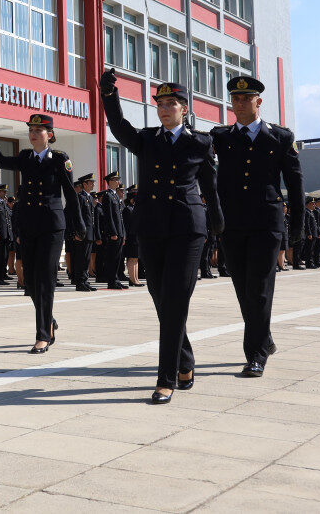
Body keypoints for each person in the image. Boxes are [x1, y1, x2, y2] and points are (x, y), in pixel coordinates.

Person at [100, 71, 223, 404]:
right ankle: (185, 359)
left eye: (171, 104)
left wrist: (218, 220)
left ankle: (165, 378)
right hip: (152, 226)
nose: (165, 109)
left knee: (176, 299)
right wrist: (109, 95)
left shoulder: (200, 142)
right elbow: (118, 127)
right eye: (161, 104)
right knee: (161, 297)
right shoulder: (147, 139)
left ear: (184, 109)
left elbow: (210, 186)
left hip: (187, 228)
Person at [209, 75, 303, 379]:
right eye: (235, 99)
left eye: (246, 98)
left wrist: (298, 224)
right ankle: (265, 338)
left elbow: (295, 183)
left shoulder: (280, 137)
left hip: (266, 222)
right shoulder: (220, 137)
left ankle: (255, 355)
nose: (239, 103)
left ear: (258, 101)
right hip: (232, 223)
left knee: (259, 288)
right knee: (242, 288)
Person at [0, 112, 82, 353]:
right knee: (31, 283)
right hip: (29, 226)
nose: (33, 134)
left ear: (50, 135)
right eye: (31, 130)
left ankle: (43, 335)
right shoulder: (25, 157)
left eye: (38, 130)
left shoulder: (59, 159)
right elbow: (1, 161)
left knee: (45, 279)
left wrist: (78, 224)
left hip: (51, 226)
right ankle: (49, 320)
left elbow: (70, 192)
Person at [97, 172, 126, 289]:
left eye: (118, 179)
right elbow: (109, 216)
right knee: (112, 258)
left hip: (119, 232)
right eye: (115, 180)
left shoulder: (115, 196)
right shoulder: (107, 196)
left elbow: (120, 217)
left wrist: (123, 233)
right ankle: (112, 281)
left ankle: (116, 279)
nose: (118, 182)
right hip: (114, 233)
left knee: (118, 258)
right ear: (110, 182)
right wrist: (113, 232)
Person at [69, 174, 97, 292]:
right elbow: (76, 216)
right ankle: (79, 282)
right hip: (82, 233)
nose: (93, 184)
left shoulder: (89, 197)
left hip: (89, 233)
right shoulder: (80, 197)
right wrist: (75, 232)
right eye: (91, 182)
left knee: (86, 259)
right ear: (84, 184)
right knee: (81, 258)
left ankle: (84, 280)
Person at [123, 187, 142, 286]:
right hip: (131, 237)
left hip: (136, 237)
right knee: (131, 258)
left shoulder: (135, 208)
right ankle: (132, 279)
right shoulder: (127, 209)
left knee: (136, 259)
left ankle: (136, 278)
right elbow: (127, 225)